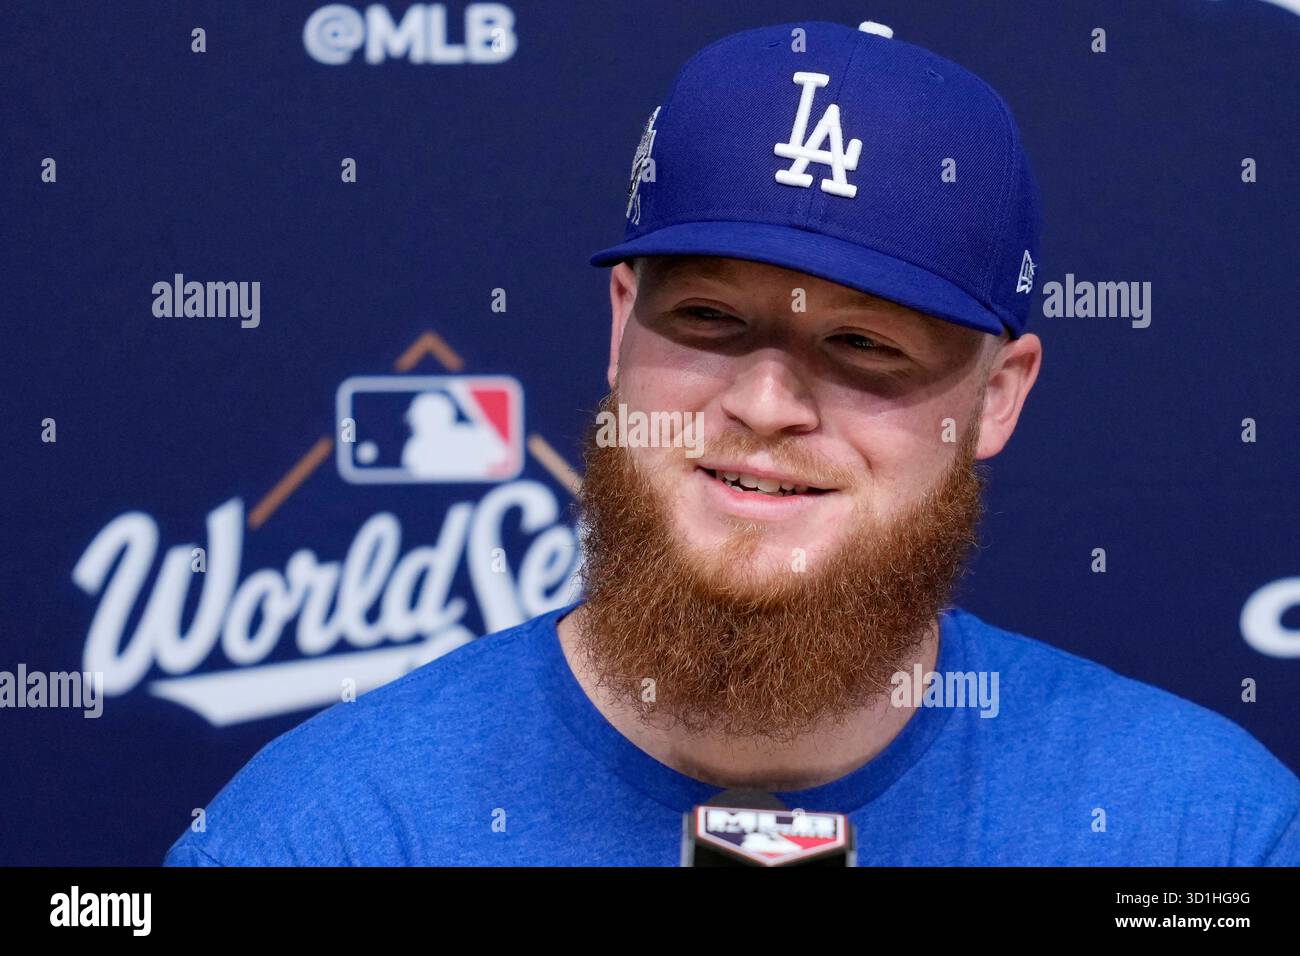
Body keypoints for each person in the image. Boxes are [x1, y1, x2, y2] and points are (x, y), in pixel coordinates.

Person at [164, 20, 1299, 866]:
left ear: (997, 396)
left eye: (861, 344)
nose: (764, 400)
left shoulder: (1199, 835)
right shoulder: (330, 835)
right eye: (707, 318)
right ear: (620, 325)